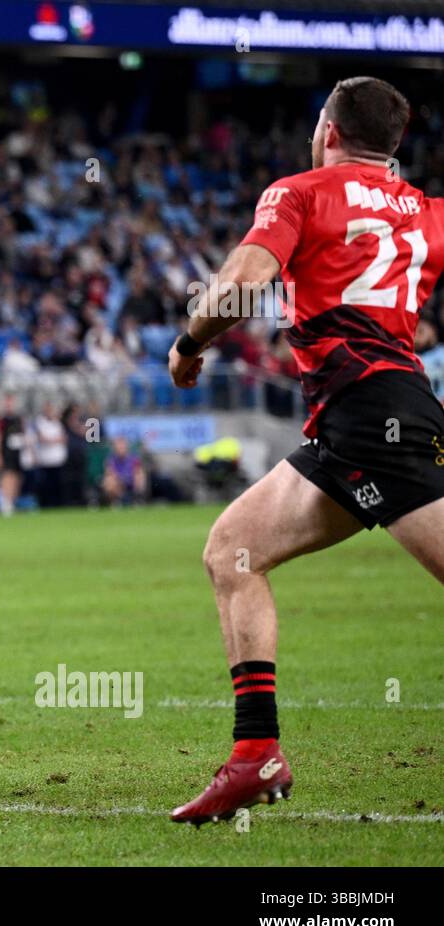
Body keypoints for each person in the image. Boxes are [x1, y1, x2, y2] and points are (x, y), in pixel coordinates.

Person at [166, 77, 444, 825]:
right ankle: (256, 755)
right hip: (362, 420)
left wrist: (190, 342)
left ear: (327, 130)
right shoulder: (429, 215)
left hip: (371, 416)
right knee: (234, 551)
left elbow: (246, 281)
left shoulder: (300, 193)